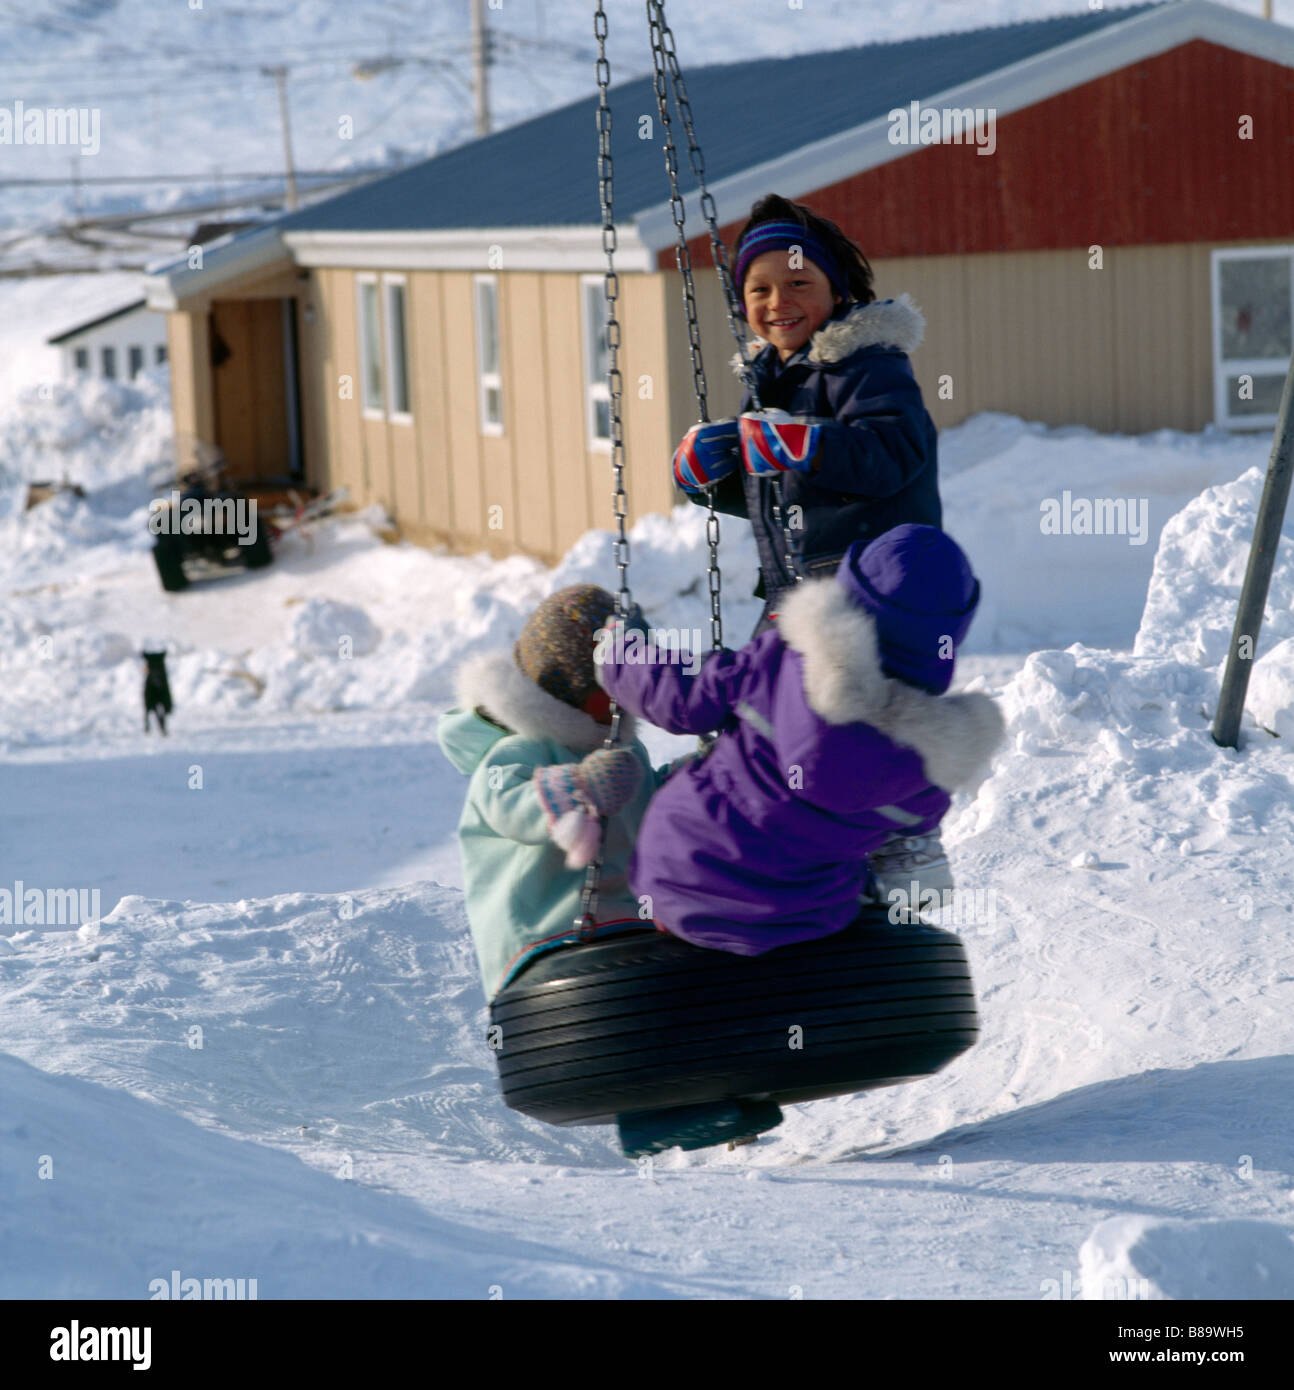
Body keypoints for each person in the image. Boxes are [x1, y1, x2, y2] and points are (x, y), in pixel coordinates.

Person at [671, 190, 946, 892]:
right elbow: (784, 487)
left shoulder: (869, 366)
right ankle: (777, 846)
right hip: (799, 591)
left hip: (872, 589)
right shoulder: (775, 380)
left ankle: (911, 848)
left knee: (867, 725)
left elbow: (890, 456)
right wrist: (712, 479)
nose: (778, 301)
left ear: (837, 290)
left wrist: (806, 442)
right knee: (765, 709)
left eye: (799, 283)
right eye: (760, 289)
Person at [594, 526, 1005, 953]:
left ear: (850, 603)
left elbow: (679, 698)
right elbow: (916, 823)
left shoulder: (779, 665)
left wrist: (621, 653)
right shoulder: (928, 771)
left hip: (678, 876)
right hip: (801, 916)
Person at [437, 584, 677, 1002]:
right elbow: (506, 803)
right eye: (615, 689)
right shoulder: (518, 749)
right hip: (543, 933)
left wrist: (686, 780)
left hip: (624, 926)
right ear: (574, 690)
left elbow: (640, 806)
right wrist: (579, 789)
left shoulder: (622, 748)